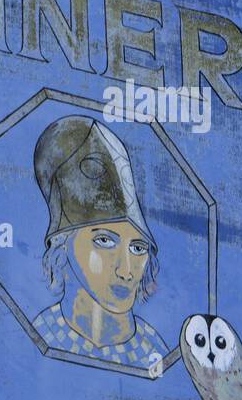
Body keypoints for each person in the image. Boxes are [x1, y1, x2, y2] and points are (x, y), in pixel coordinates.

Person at [32, 116, 168, 369]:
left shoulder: (156, 354)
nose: (126, 271)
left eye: (138, 248)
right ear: (63, 245)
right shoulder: (39, 337)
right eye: (104, 240)